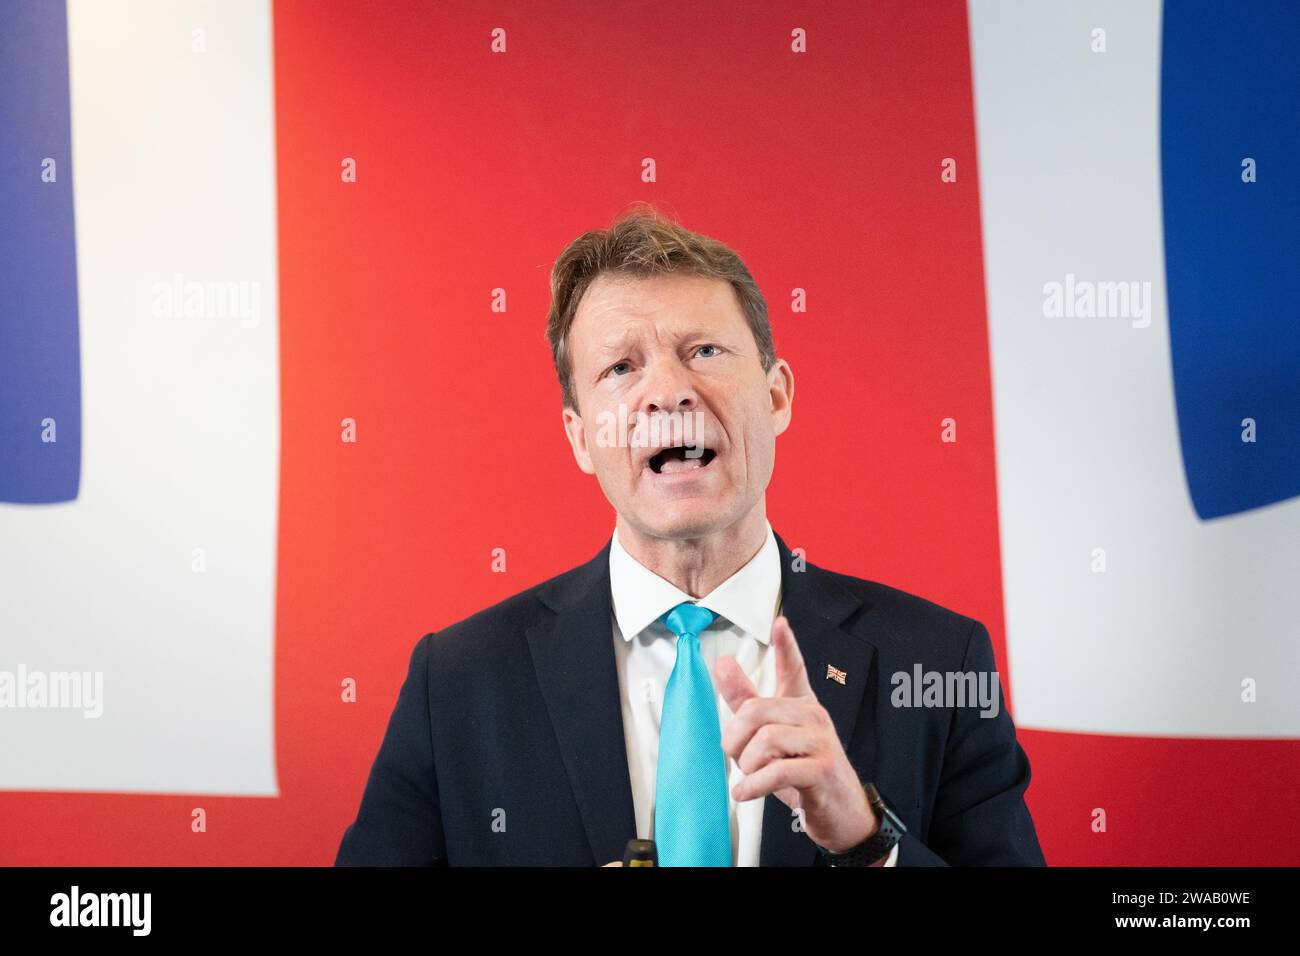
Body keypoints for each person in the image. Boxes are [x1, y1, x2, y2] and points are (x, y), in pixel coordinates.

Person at [335, 207, 1046, 866]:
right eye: (620, 368)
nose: (667, 391)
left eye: (704, 351)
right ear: (581, 439)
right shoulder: (458, 682)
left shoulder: (938, 662)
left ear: (776, 397)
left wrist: (866, 842)